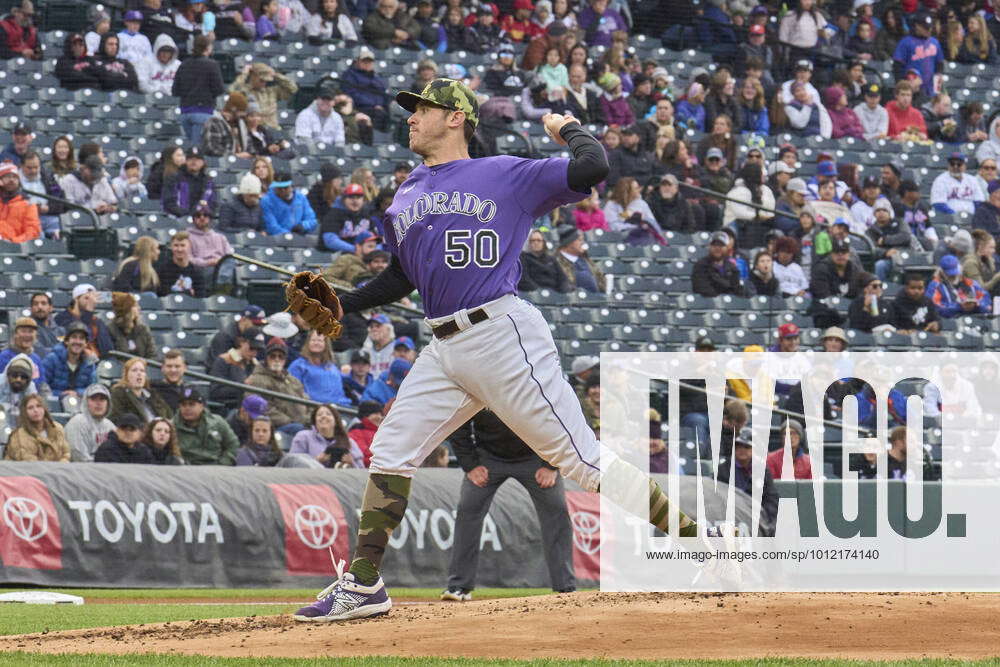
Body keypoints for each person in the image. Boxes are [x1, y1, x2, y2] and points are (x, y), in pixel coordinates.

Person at [290, 82, 728, 623]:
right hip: (443, 345)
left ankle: (705, 544)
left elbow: (591, 169)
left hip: (500, 333)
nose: (410, 118)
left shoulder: (506, 173)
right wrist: (347, 303)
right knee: (391, 450)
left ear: (455, 118)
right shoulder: (405, 193)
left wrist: (566, 128)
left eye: (421, 109)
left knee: (582, 461)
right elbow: (404, 274)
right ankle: (363, 585)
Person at [442, 407, 573, 601]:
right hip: (488, 459)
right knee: (467, 510)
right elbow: (457, 424)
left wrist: (551, 465)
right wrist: (470, 465)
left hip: (537, 457)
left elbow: (563, 421)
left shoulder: (536, 381)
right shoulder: (479, 383)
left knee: (557, 511)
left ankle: (565, 588)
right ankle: (458, 586)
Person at [246, 341, 310, 436]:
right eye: (273, 356)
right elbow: (261, 408)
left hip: (302, 424)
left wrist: (310, 419)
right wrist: (289, 421)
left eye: (281, 356)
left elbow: (307, 402)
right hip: (276, 427)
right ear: (266, 358)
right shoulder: (256, 380)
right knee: (300, 430)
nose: (277, 359)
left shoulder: (293, 380)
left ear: (285, 360)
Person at [171, 34, 225, 144]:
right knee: (197, 151)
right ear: (208, 47)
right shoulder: (212, 65)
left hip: (185, 112)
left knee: (193, 147)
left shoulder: (184, 64)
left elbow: (175, 90)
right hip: (203, 111)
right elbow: (219, 89)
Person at [172, 387, 237, 465]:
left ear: (201, 406)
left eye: (191, 404)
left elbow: (233, 444)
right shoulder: (172, 426)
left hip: (216, 467)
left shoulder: (218, 422)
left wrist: (223, 463)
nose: (187, 408)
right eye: (183, 405)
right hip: (187, 469)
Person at [289, 330, 353, 406]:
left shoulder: (332, 366)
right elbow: (292, 390)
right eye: (313, 340)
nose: (316, 343)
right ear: (308, 343)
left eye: (320, 340)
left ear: (326, 344)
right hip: (313, 407)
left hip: (341, 406)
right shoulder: (298, 365)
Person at [209, 326, 264, 409]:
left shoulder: (255, 365)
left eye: (257, 350)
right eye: (251, 348)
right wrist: (243, 386)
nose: (254, 353)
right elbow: (215, 391)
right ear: (242, 342)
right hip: (230, 407)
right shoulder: (224, 360)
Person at [4, 394, 69, 462]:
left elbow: (66, 453)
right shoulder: (18, 436)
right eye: (30, 408)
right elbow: (29, 463)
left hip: (58, 470)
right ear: (24, 412)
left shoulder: (57, 428)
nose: (35, 410)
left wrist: (61, 466)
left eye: (39, 406)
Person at [290, 403, 359, 467]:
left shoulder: (349, 442)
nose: (324, 416)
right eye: (319, 415)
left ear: (336, 421)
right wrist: (317, 460)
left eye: (328, 414)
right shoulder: (303, 437)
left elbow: (362, 470)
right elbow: (292, 464)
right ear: (314, 421)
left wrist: (351, 463)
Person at [893, 11, 943, 100]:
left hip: (930, 90)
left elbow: (939, 66)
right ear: (917, 26)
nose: (929, 30)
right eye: (925, 28)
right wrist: (905, 85)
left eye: (930, 27)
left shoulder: (934, 42)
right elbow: (897, 67)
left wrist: (937, 90)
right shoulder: (906, 42)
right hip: (912, 91)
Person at [53, 284, 113, 358]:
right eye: (86, 298)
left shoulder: (97, 321)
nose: (90, 302)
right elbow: (83, 333)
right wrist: (89, 310)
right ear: (76, 299)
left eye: (92, 298)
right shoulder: (62, 318)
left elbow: (108, 348)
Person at [109, 356, 172, 426]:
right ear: (126, 375)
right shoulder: (119, 394)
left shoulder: (153, 394)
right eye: (134, 370)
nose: (139, 373)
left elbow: (169, 415)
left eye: (142, 371)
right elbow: (116, 418)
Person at [42, 321, 97, 399]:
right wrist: (61, 394)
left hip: (80, 404)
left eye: (81, 338)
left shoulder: (90, 363)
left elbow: (93, 388)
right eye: (74, 337)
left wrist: (77, 393)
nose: (77, 342)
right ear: (66, 341)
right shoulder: (51, 359)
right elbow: (43, 386)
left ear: (86, 343)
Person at [602, 177, 664, 245]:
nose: (639, 190)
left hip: (641, 238)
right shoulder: (611, 205)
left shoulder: (641, 203)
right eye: (636, 188)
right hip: (619, 239)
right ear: (626, 191)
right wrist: (634, 227)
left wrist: (644, 221)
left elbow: (652, 222)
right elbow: (612, 226)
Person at [926, 254, 991, 318]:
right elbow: (935, 308)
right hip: (950, 323)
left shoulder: (971, 283)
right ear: (941, 271)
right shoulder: (934, 286)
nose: (952, 276)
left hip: (974, 320)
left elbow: (987, 302)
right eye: (949, 274)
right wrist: (959, 307)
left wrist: (976, 305)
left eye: (955, 273)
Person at [64, 383, 113, 462]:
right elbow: (79, 457)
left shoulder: (110, 426)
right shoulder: (76, 423)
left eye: (102, 399)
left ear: (108, 403)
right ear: (86, 402)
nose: (98, 403)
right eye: (94, 399)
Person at [162, 146, 216, 219]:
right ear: (186, 161)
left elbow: (212, 203)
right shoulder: (174, 178)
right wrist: (187, 215)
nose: (193, 162)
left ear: (203, 162)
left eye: (197, 159)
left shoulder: (208, 181)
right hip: (179, 218)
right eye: (190, 159)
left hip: (201, 219)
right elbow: (169, 203)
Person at [260, 171, 317, 236]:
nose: (283, 190)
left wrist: (303, 225)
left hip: (300, 237)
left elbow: (312, 220)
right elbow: (272, 226)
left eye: (285, 187)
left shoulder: (301, 198)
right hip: (277, 240)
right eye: (279, 188)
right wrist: (289, 235)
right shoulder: (266, 201)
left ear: (291, 186)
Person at [691, 231, 744, 298]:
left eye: (721, 245)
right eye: (714, 245)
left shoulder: (732, 267)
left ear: (727, 248)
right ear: (709, 246)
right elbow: (702, 289)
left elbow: (738, 290)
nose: (717, 248)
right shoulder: (700, 266)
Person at [555, 224, 605, 292]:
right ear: (569, 243)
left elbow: (601, 281)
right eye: (580, 240)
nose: (583, 243)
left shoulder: (587, 260)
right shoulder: (555, 262)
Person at [157, 231, 206, 298]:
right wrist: (188, 293)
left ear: (190, 247)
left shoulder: (196, 272)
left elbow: (200, 298)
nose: (179, 249)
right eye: (176, 245)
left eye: (183, 245)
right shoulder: (163, 270)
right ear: (171, 247)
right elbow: (163, 294)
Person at [295, 85, 345, 149]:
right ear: (317, 100)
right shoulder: (305, 114)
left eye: (329, 99)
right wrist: (318, 152)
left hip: (330, 153)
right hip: (307, 152)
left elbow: (340, 141)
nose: (326, 102)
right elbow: (304, 139)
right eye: (323, 99)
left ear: (333, 102)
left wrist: (336, 153)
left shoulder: (337, 118)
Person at [0, 162, 40, 243]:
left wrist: (13, 242)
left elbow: (32, 231)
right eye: (7, 177)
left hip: (16, 248)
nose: (11, 180)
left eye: (15, 177)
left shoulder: (28, 203)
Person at [519, 228, 569, 293]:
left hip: (555, 294)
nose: (536, 243)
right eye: (533, 240)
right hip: (534, 295)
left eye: (538, 240)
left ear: (544, 242)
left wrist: (562, 292)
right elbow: (524, 280)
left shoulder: (551, 259)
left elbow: (563, 279)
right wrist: (540, 292)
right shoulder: (523, 258)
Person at [107, 292, 155, 359]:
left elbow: (152, 354)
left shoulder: (143, 329)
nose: (139, 308)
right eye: (135, 306)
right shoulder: (110, 329)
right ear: (127, 309)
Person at [0, 354, 45, 424]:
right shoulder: (1, 382)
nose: (18, 379)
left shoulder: (31, 388)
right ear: (8, 375)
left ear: (28, 380)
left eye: (23, 377)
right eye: (14, 375)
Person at [0, 317, 45, 384]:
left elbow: (42, 384)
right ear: (15, 334)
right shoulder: (4, 357)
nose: (27, 335)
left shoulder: (36, 359)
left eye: (31, 332)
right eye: (23, 331)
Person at [187, 204, 233, 269]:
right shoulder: (187, 237)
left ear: (210, 218)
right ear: (193, 219)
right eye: (198, 216)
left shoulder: (220, 237)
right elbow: (188, 258)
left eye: (205, 215)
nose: (202, 218)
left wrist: (220, 262)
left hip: (221, 268)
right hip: (199, 270)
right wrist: (206, 263)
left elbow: (229, 256)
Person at [28, 292, 62, 357]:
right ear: (31, 309)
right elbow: (39, 352)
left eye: (43, 303)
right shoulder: (27, 330)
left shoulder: (60, 331)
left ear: (51, 308)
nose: (39, 307)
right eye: (35, 304)